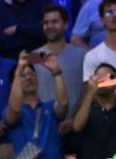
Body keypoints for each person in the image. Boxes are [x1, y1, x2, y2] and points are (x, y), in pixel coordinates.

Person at [4, 50, 68, 159]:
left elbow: (64, 104)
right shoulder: (9, 111)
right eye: (23, 75)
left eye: (31, 74)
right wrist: (18, 72)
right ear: (14, 83)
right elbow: (14, 110)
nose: (28, 77)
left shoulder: (50, 107)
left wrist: (56, 72)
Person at [34, 3, 87, 131]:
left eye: (55, 21)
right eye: (46, 23)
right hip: (44, 128)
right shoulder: (34, 57)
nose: (49, 26)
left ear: (66, 24)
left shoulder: (82, 55)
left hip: (76, 126)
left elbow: (88, 91)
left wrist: (75, 120)